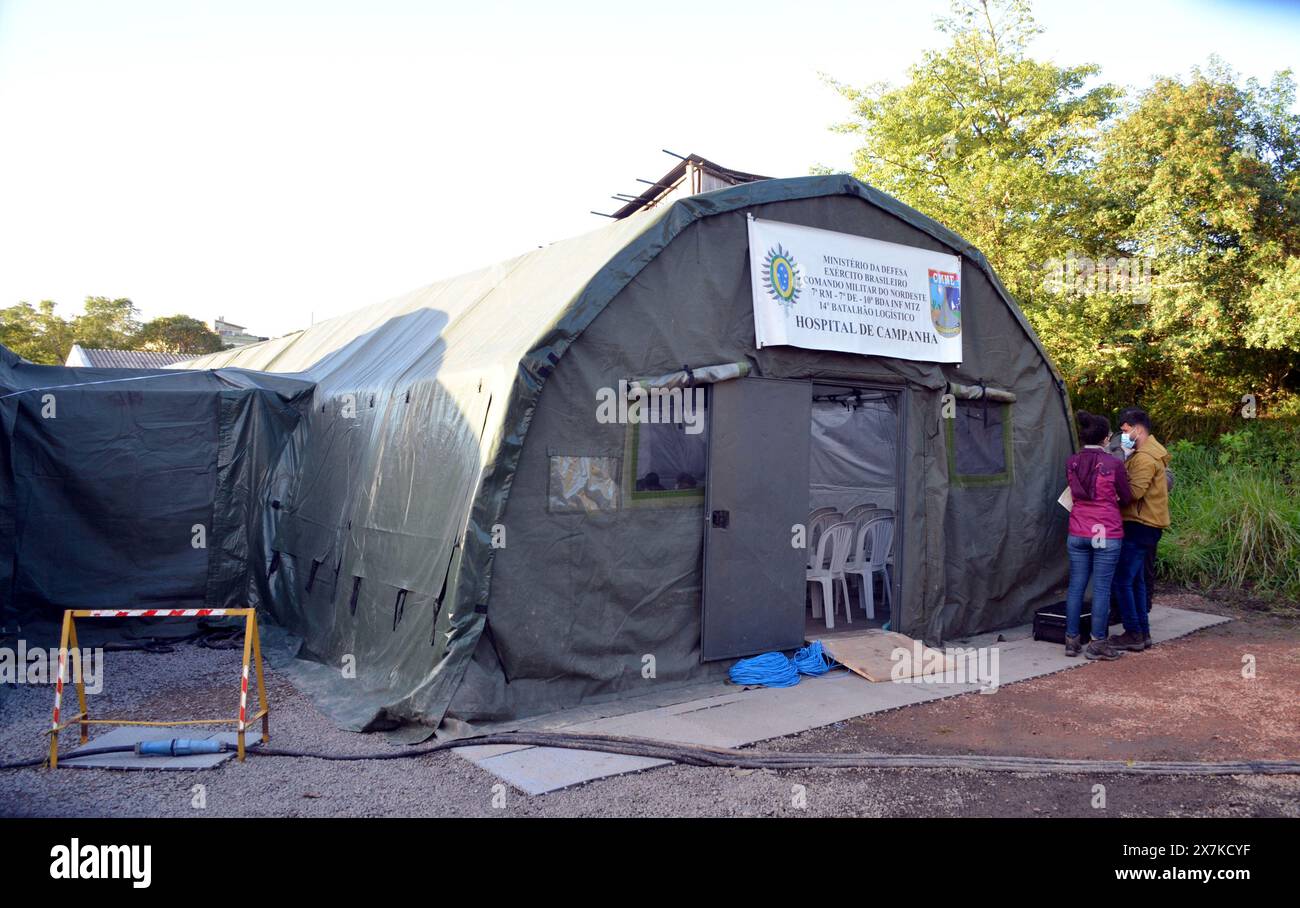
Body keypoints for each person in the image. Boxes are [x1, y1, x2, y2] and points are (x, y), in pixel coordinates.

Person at [1064, 412, 1131, 659]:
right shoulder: (1113, 464)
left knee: (1076, 586)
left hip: (1078, 530)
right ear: (1106, 438)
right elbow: (1127, 496)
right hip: (1105, 531)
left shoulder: (1071, 461)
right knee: (1101, 588)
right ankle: (1097, 642)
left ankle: (1071, 641)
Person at [1108, 407, 1171, 652]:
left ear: (1137, 429)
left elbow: (1134, 493)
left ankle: (1133, 633)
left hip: (1139, 525)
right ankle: (1142, 633)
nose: (1123, 435)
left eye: (1125, 430)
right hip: (1145, 524)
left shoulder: (1144, 458)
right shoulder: (1146, 453)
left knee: (1123, 581)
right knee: (1136, 581)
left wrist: (1109, 490)